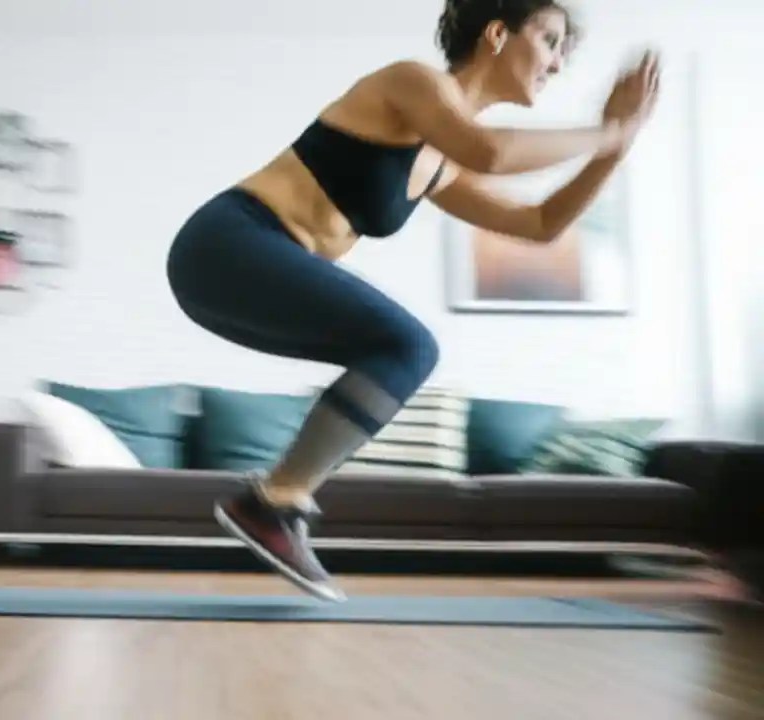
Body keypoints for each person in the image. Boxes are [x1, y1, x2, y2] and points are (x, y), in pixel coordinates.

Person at [164, 0, 661, 602]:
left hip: (232, 278)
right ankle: (274, 503)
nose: (557, 64)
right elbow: (493, 152)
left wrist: (614, 152)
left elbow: (540, 223)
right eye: (550, 40)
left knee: (397, 353)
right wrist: (610, 129)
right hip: (230, 243)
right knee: (409, 343)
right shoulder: (411, 82)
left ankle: (275, 504)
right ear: (498, 33)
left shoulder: (440, 165)